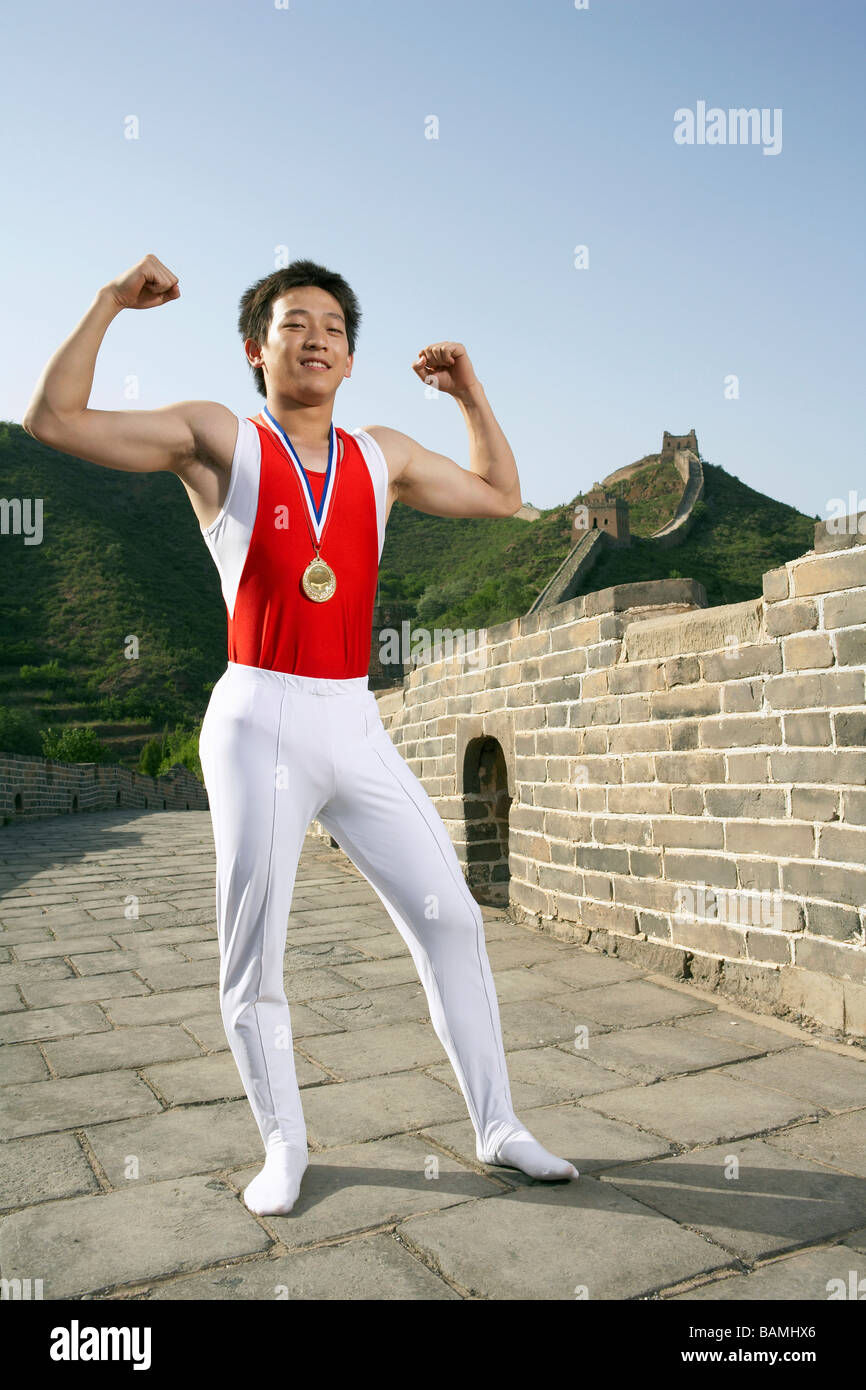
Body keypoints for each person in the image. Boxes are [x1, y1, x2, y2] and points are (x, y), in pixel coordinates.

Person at [23, 253, 579, 1215]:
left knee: (450, 915)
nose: (315, 337)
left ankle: (499, 1126)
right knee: (255, 949)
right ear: (256, 348)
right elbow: (54, 420)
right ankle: (285, 1145)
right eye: (294, 324)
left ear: (351, 357)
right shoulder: (217, 439)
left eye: (332, 326)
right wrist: (112, 302)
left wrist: (470, 393)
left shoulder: (382, 456)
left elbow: (498, 495)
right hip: (258, 715)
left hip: (352, 714)